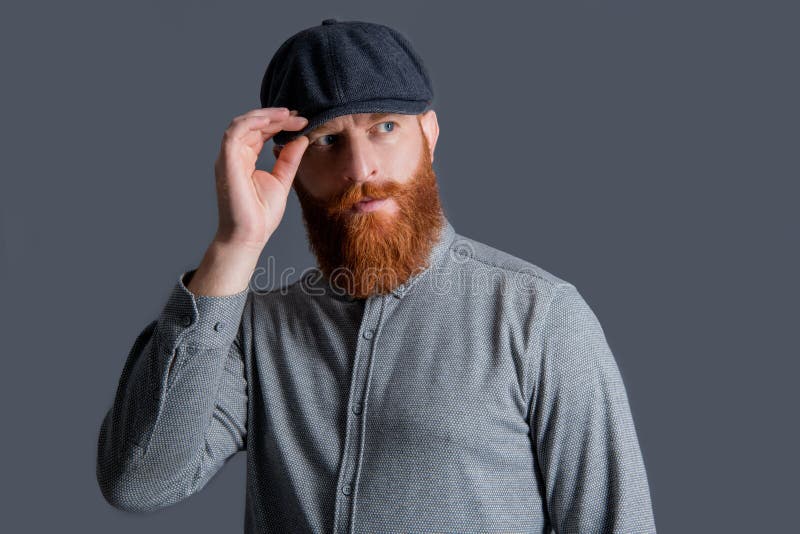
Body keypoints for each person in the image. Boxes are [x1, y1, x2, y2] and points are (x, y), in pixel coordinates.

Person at [96, 18, 657, 533]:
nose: (359, 168)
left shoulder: (538, 315)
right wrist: (234, 244)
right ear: (288, 166)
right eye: (327, 140)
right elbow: (141, 483)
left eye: (385, 126)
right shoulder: (255, 331)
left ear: (429, 135)